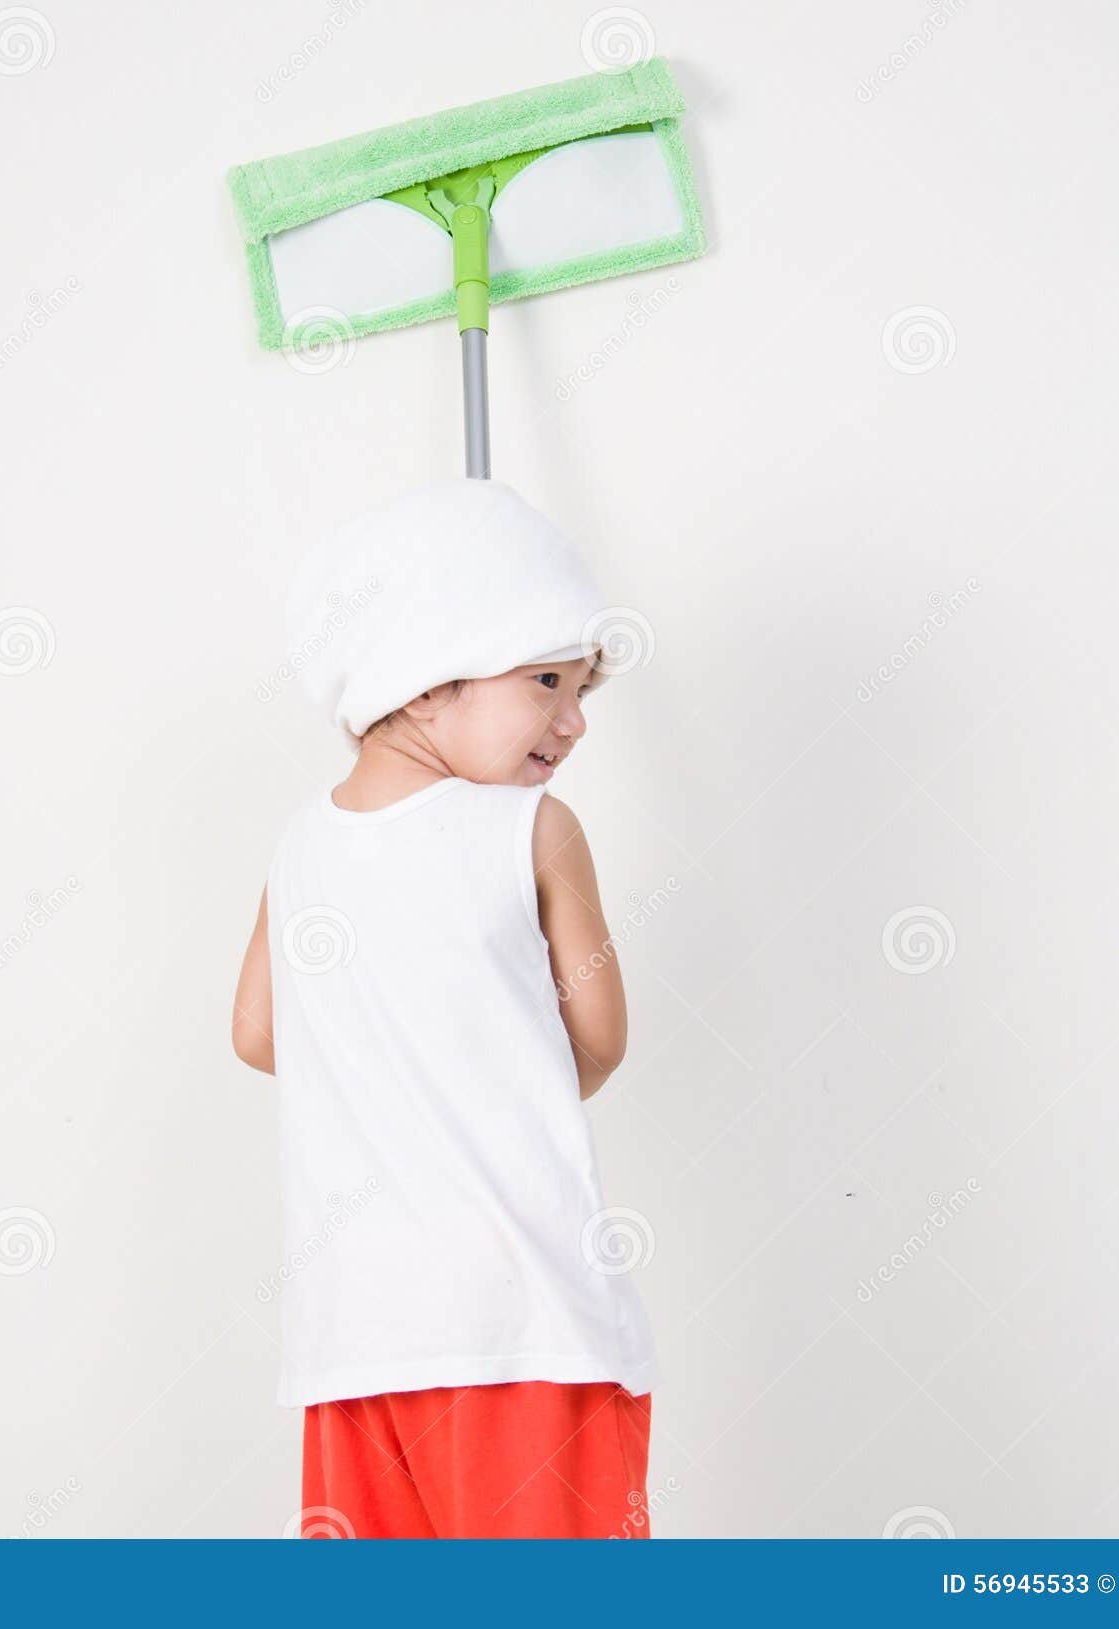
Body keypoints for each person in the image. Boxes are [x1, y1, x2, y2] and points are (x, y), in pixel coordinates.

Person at [232, 478, 658, 1539]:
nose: (573, 722)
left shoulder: (299, 849)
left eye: (584, 692)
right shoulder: (534, 832)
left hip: (355, 1341)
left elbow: (255, 1034)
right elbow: (597, 1040)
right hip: (526, 1332)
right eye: (548, 680)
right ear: (426, 685)